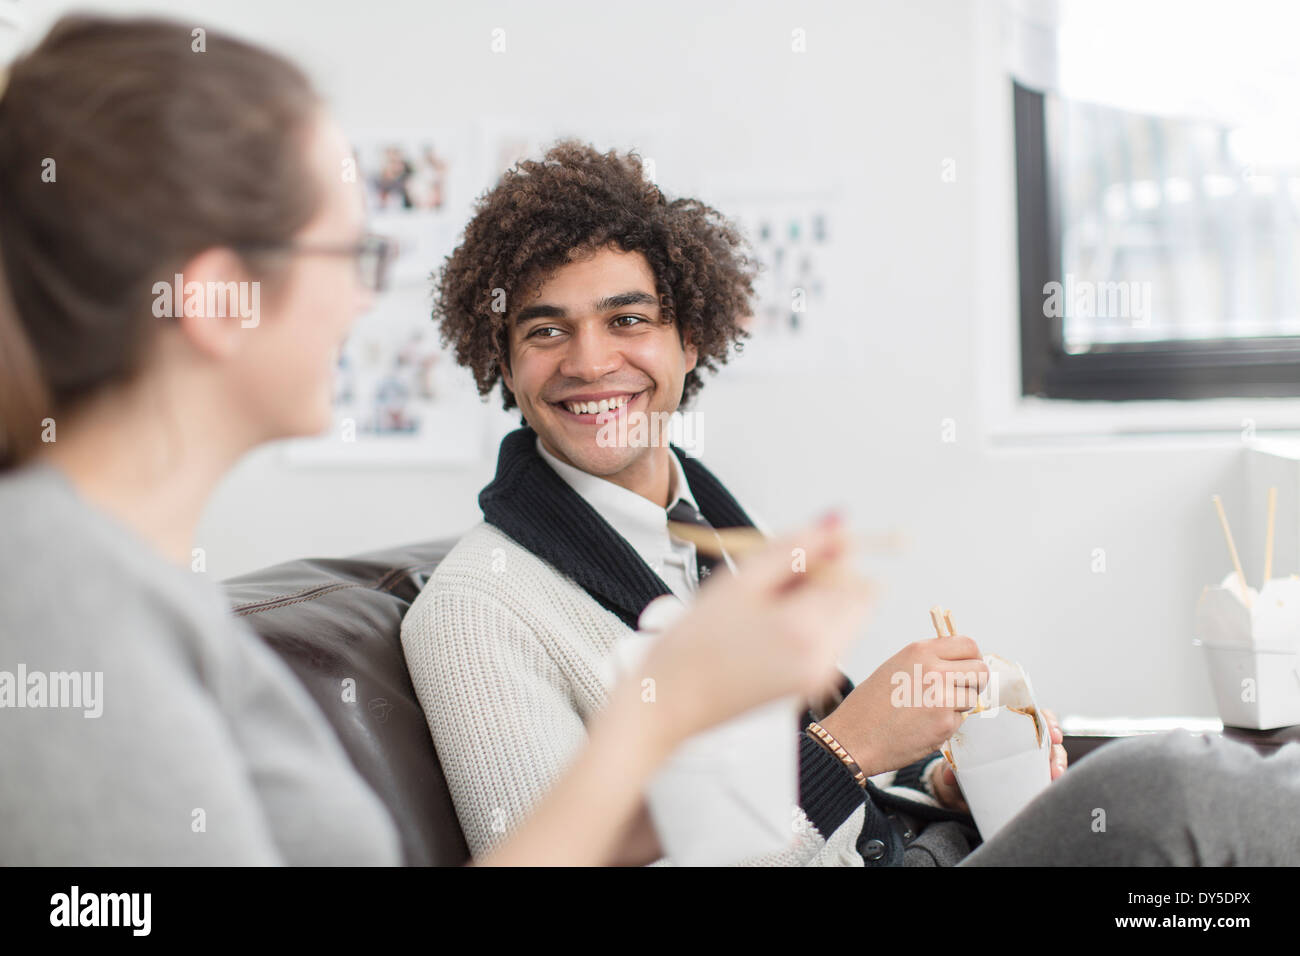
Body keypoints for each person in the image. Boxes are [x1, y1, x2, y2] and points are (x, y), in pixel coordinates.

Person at [0, 14, 870, 867]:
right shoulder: (55, 602)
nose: (361, 303)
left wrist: (677, 726)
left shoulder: (122, 582)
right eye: (349, 257)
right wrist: (801, 749)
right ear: (218, 300)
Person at [403, 140, 1300, 868]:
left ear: (689, 340)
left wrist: (933, 778)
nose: (591, 361)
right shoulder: (478, 613)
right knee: (1178, 789)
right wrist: (844, 752)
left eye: (628, 320)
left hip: (925, 847)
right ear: (504, 363)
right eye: (545, 329)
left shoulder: (704, 528)